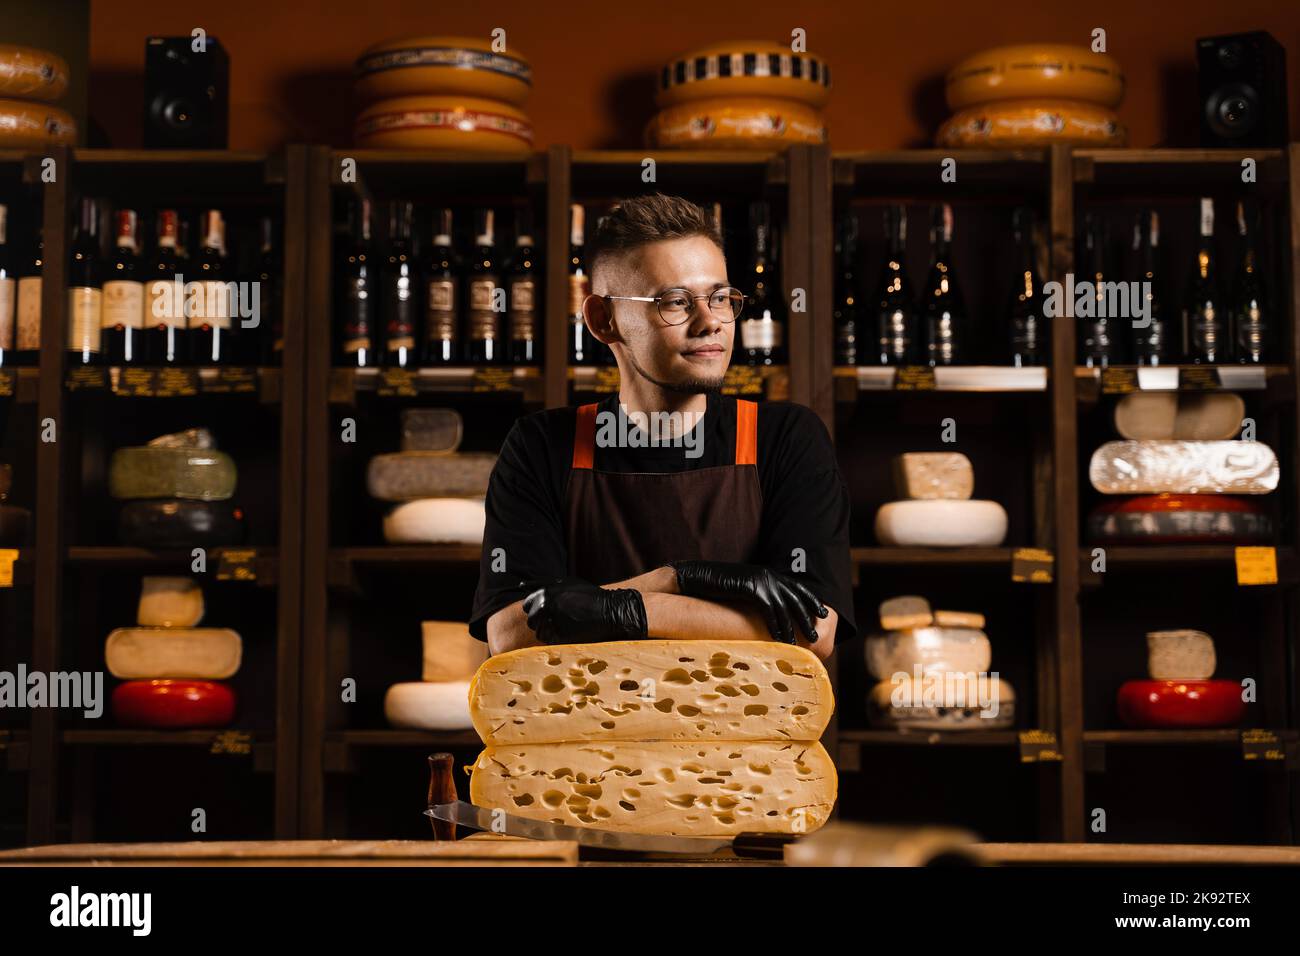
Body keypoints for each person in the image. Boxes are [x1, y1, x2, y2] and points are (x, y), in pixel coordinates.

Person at [469, 193, 853, 661]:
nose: (710, 322)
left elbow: (811, 627)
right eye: (674, 302)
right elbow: (510, 634)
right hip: (589, 733)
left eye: (719, 297)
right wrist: (681, 578)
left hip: (744, 733)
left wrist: (603, 608)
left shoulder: (785, 438)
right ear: (603, 319)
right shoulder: (542, 446)